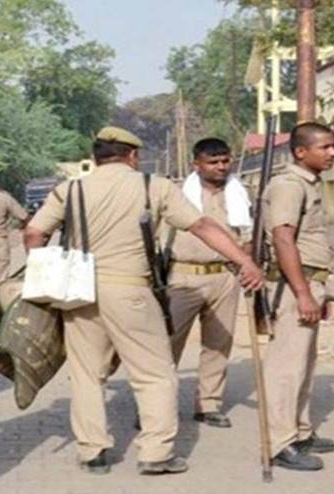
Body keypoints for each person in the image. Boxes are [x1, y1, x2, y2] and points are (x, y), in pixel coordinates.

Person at [24, 127, 264, 476]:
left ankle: (92, 451)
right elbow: (201, 226)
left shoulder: (71, 188)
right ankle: (155, 452)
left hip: (78, 292)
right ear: (132, 156)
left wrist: (48, 271)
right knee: (155, 373)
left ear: (96, 158)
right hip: (131, 290)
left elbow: (34, 233)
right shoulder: (153, 186)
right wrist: (244, 261)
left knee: (87, 374)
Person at [260, 122, 334, 472]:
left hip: (310, 281)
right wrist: (304, 293)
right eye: (325, 147)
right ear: (300, 152)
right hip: (295, 285)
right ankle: (279, 443)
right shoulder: (289, 185)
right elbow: (283, 239)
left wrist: (323, 292)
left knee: (304, 363)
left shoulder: (310, 183)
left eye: (333, 146)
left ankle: (299, 430)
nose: (333, 153)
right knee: (285, 368)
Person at [168, 137, 252, 429]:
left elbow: (249, 234)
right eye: (213, 162)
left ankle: (208, 404)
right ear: (197, 164)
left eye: (225, 161)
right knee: (168, 345)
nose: (220, 167)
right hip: (183, 277)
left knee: (218, 343)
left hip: (225, 276)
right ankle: (157, 407)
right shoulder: (176, 195)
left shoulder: (240, 193)